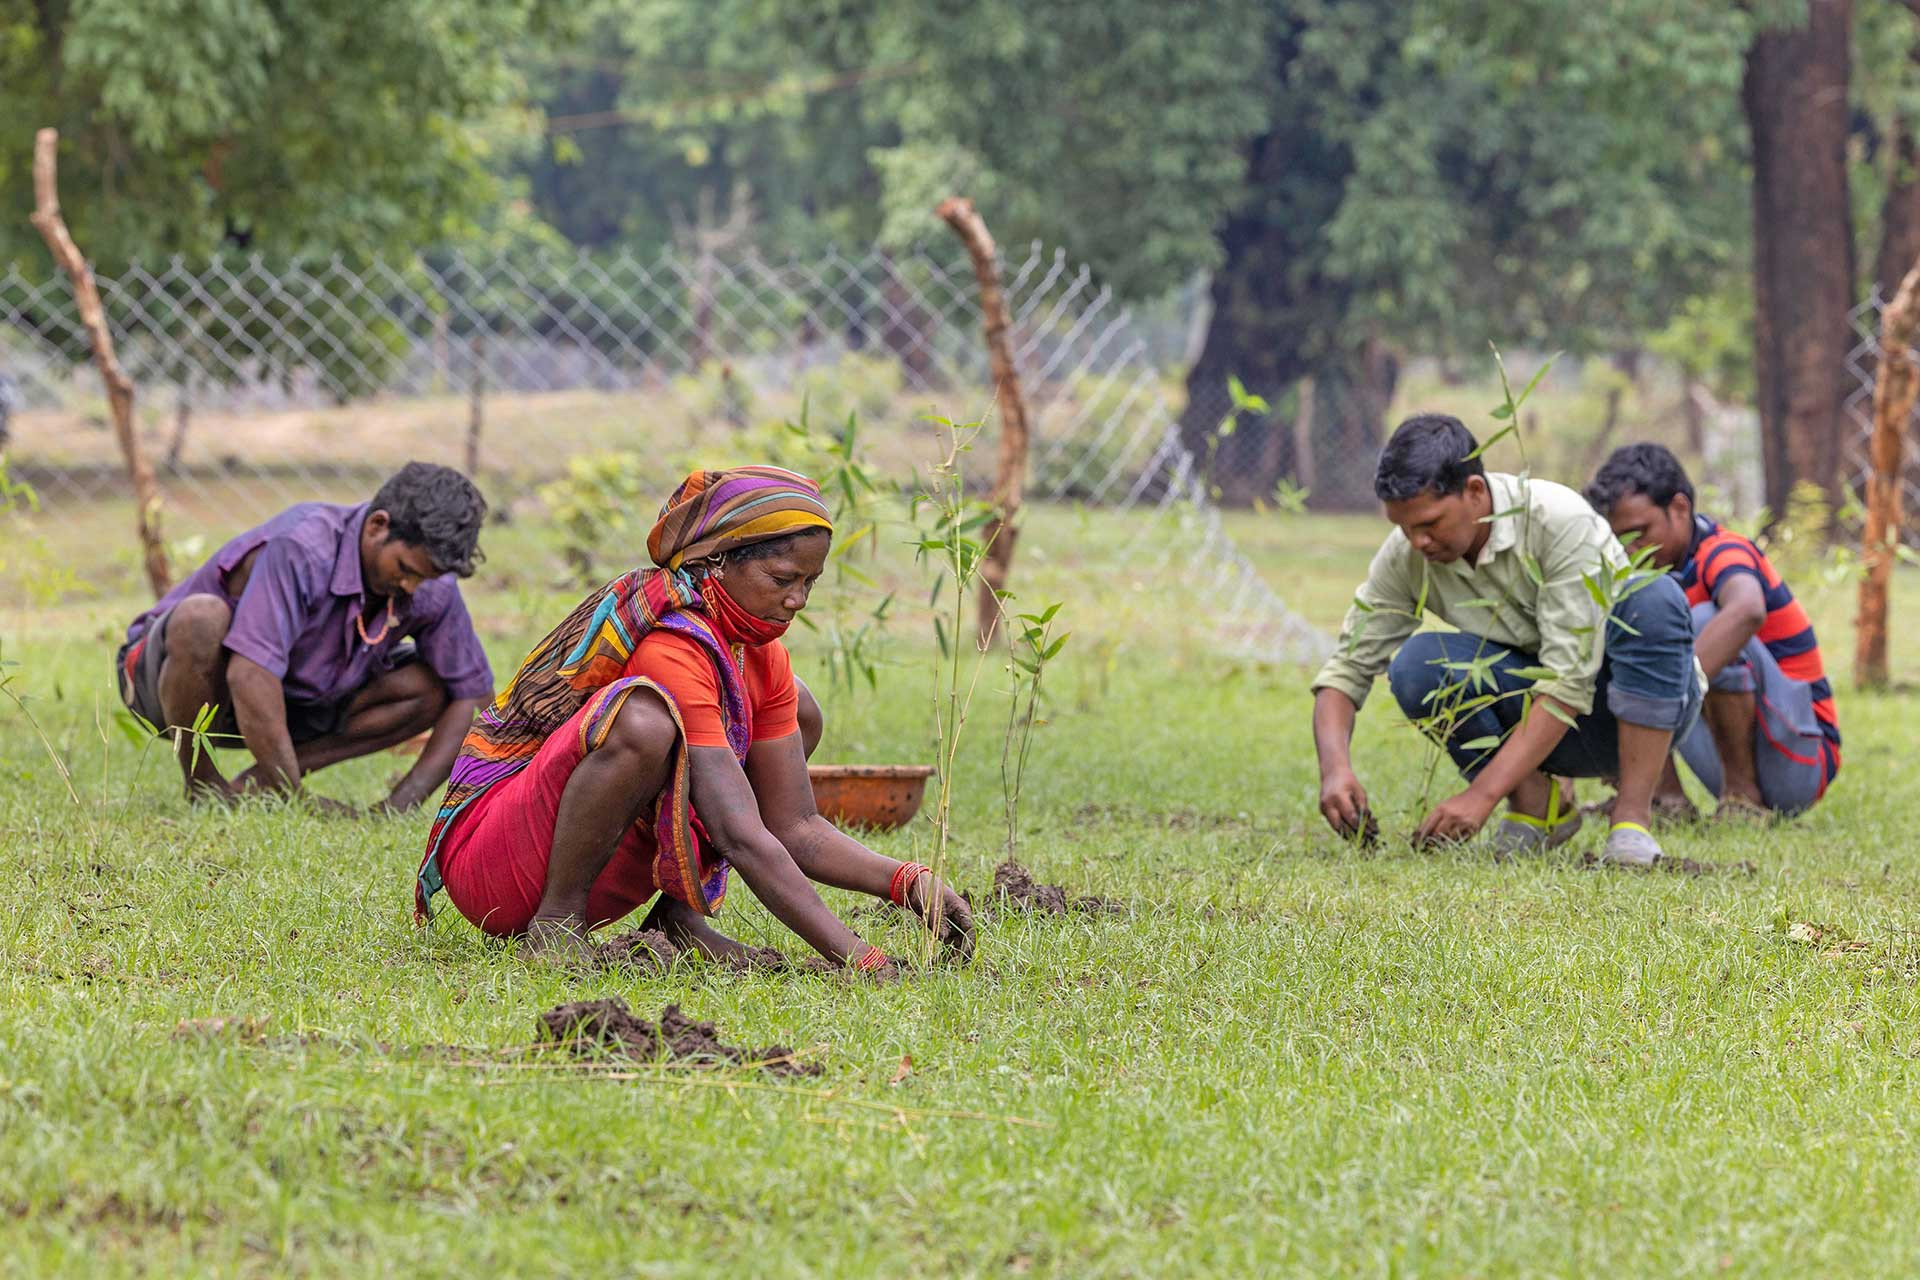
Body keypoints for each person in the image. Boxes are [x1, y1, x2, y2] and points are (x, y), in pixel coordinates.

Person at [414, 464, 974, 971]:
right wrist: (862, 960)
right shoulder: (670, 645)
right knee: (644, 721)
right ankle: (557, 925)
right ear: (715, 563)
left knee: (799, 711)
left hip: (600, 864)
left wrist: (908, 880)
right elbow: (741, 834)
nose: (798, 600)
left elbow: (796, 827)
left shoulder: (760, 651)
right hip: (502, 868)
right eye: (783, 579)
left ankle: (678, 919)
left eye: (809, 582)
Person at [1310, 414, 1703, 866]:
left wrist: (1481, 796)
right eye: (1404, 528)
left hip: (1639, 712)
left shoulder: (1557, 519)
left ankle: (1631, 824)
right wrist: (1335, 769)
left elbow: (1566, 683)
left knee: (1653, 599)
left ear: (1475, 491)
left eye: (1430, 523)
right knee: (1417, 665)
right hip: (1552, 725)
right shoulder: (1409, 554)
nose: (1417, 542)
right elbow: (1346, 669)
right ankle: (1540, 808)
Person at [115, 462, 493, 813]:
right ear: (377, 525)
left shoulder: (430, 583)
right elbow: (249, 674)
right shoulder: (303, 545)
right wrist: (297, 801)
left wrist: (398, 807)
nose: (411, 585)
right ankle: (204, 785)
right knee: (202, 619)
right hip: (172, 683)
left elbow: (472, 698)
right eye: (405, 569)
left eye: (424, 578)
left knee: (431, 686)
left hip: (296, 700)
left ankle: (264, 782)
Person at [1585, 443, 1840, 819]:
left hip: (1800, 758)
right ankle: (1664, 798)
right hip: (1720, 750)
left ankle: (1743, 799)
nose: (1630, 547)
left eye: (1639, 532)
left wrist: (1664, 688)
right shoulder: (1642, 579)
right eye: (1619, 538)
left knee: (1701, 622)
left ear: (1680, 508)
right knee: (1627, 636)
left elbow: (1747, 610)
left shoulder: (1724, 551)